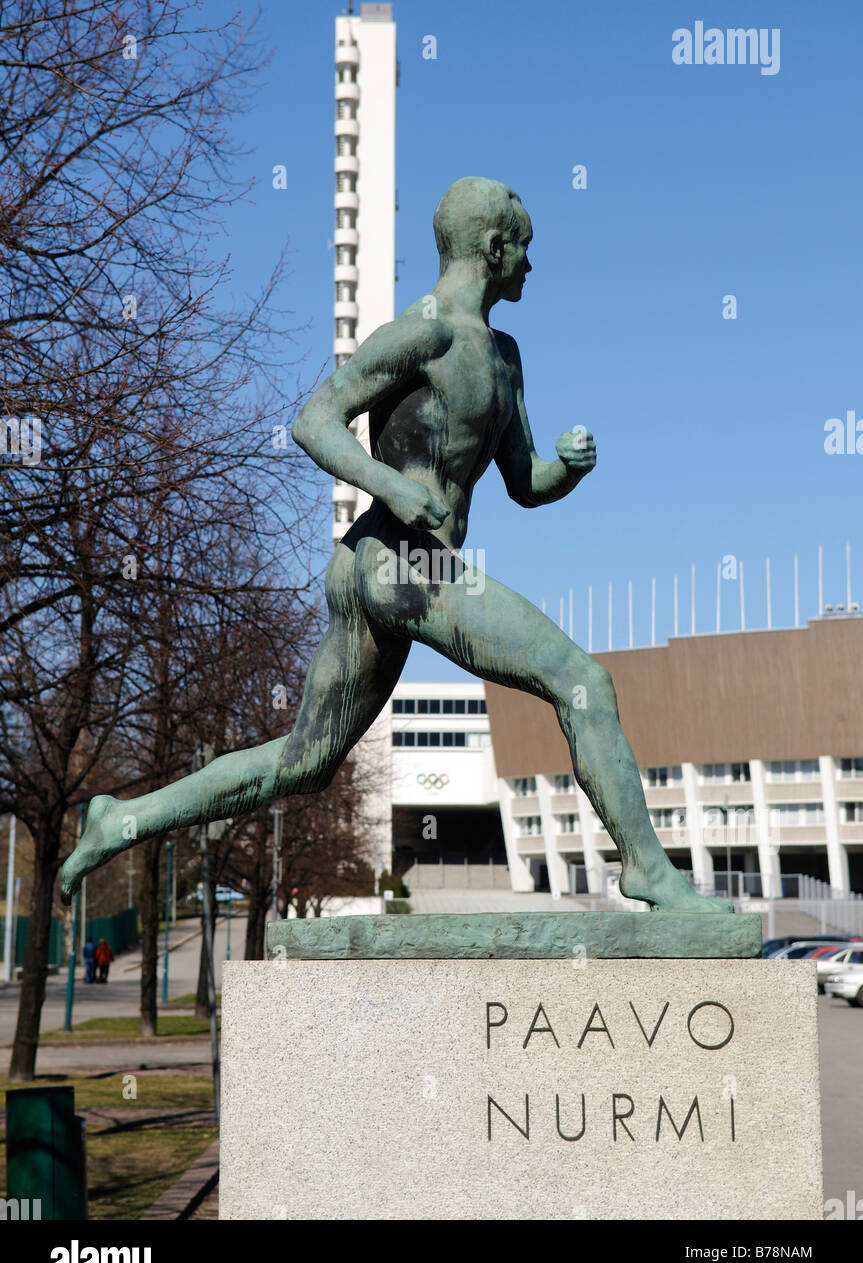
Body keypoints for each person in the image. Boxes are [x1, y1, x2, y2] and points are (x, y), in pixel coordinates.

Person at [61, 176, 728, 915]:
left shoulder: (504, 357)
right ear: (495, 246)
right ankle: (647, 871)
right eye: (525, 250)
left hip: (374, 570)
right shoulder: (424, 331)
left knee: (304, 762)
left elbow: (522, 482)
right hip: (399, 562)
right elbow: (314, 419)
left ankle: (122, 817)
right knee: (584, 682)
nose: (531, 267)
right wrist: (394, 486)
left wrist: (564, 469)